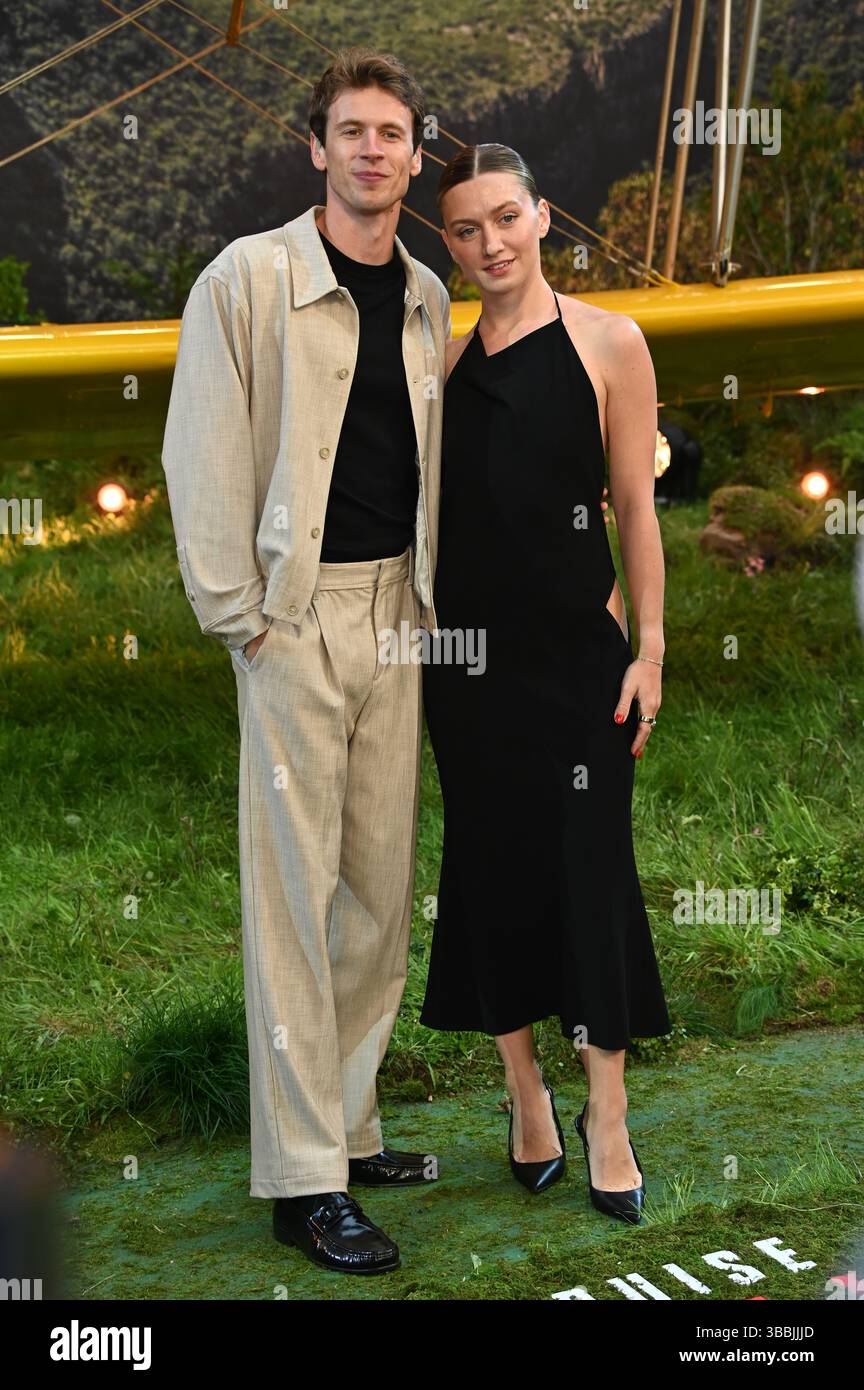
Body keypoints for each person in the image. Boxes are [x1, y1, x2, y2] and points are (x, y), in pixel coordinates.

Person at [161, 48, 451, 1274]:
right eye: (352, 130)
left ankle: (349, 1125)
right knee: (292, 895)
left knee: (378, 891)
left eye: (393, 132)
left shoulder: (431, 292)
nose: (373, 149)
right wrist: (244, 618)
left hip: (400, 616)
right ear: (315, 148)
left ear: (415, 154)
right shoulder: (249, 277)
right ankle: (299, 1180)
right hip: (296, 616)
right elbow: (201, 451)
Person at [419, 144, 671, 1224]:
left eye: (506, 219)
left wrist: (651, 648)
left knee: (590, 869)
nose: (490, 244)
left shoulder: (612, 341)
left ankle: (605, 1113)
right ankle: (525, 1093)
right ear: (451, 243)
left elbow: (635, 507)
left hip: (581, 659)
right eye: (467, 230)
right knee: (488, 868)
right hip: (464, 667)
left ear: (542, 215)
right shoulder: (438, 363)